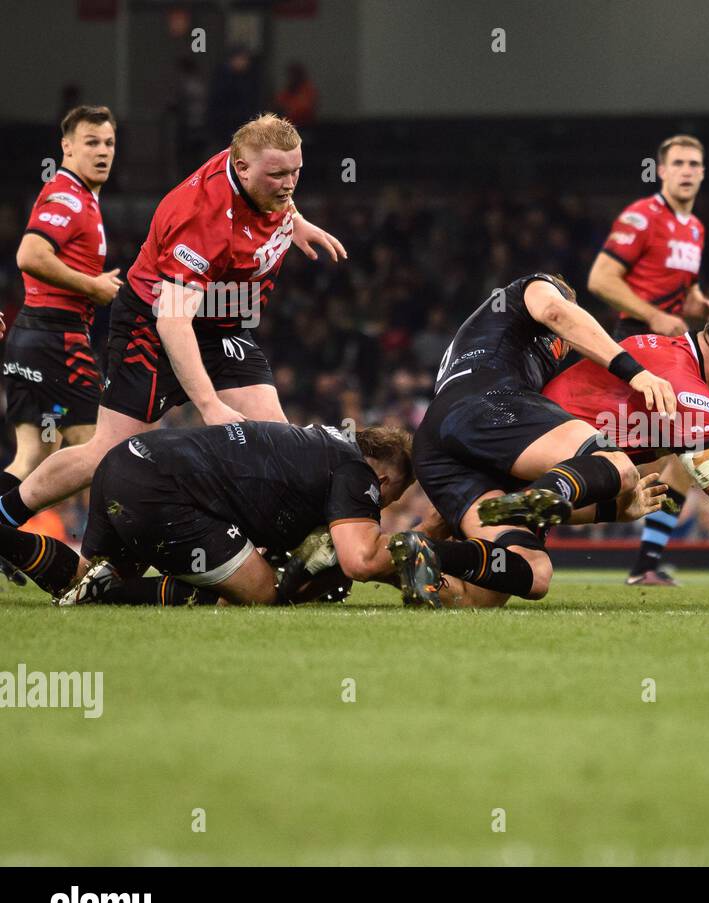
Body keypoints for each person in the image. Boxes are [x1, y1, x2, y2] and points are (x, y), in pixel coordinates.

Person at [0, 114, 347, 537]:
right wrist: (209, 405)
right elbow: (173, 322)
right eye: (278, 175)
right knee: (106, 454)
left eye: (296, 171)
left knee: (274, 438)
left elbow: (280, 187)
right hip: (154, 325)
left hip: (224, 319)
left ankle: (281, 548)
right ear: (240, 168)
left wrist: (295, 220)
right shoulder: (201, 218)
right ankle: (6, 515)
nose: (289, 182)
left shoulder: (259, 165)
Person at [396, 273, 677, 607]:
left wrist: (612, 511)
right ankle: (532, 495)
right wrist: (636, 372)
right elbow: (557, 312)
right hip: (486, 403)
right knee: (619, 466)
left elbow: (552, 499)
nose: (569, 343)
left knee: (526, 575)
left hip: (439, 445)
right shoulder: (535, 288)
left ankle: (426, 552)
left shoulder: (511, 355)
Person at [0, 422, 413, 606]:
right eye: (392, 492)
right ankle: (109, 590)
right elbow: (355, 558)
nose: (386, 504)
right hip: (162, 488)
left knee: (83, 575)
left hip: (125, 462)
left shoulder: (319, 444)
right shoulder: (356, 472)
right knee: (258, 592)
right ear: (382, 474)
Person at [587, 134, 709, 586]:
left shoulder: (695, 228)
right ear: (661, 170)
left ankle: (646, 563)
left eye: (695, 164)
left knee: (685, 451)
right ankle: (544, 510)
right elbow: (600, 279)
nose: (687, 170)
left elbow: (680, 293)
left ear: (703, 173)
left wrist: (701, 306)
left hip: (673, 348)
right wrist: (654, 316)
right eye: (679, 163)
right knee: (640, 458)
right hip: (636, 344)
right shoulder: (642, 216)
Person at [1, 105, 121, 583]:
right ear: (66, 147)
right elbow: (30, 253)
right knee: (98, 454)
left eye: (109, 143)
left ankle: (7, 532)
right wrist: (91, 287)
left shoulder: (81, 198)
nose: (103, 152)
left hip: (29, 336)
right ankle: (100, 560)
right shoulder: (69, 197)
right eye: (91, 142)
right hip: (57, 338)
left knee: (31, 455)